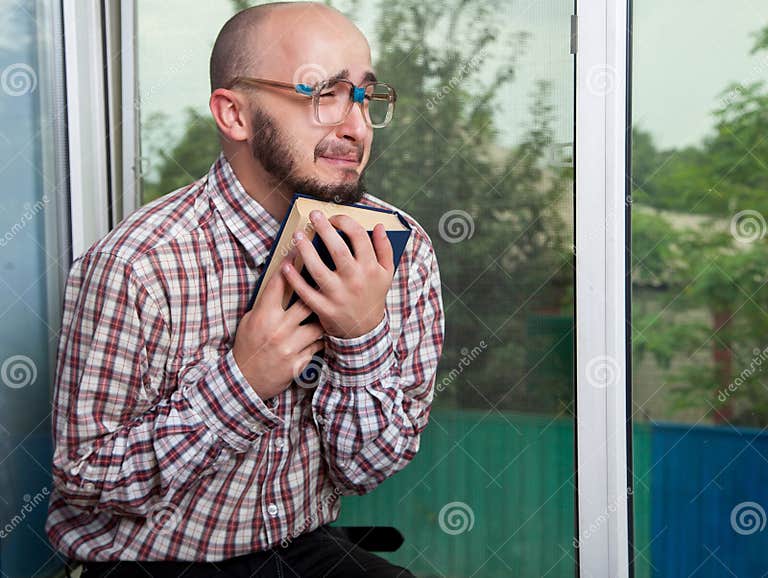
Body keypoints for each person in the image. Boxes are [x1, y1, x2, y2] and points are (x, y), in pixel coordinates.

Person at [45, 2, 444, 577]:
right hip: (153, 564)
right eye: (322, 95)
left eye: (363, 98)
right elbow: (86, 481)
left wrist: (360, 338)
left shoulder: (397, 251)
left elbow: (366, 470)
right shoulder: (135, 267)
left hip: (302, 549)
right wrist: (241, 383)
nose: (355, 127)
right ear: (234, 114)